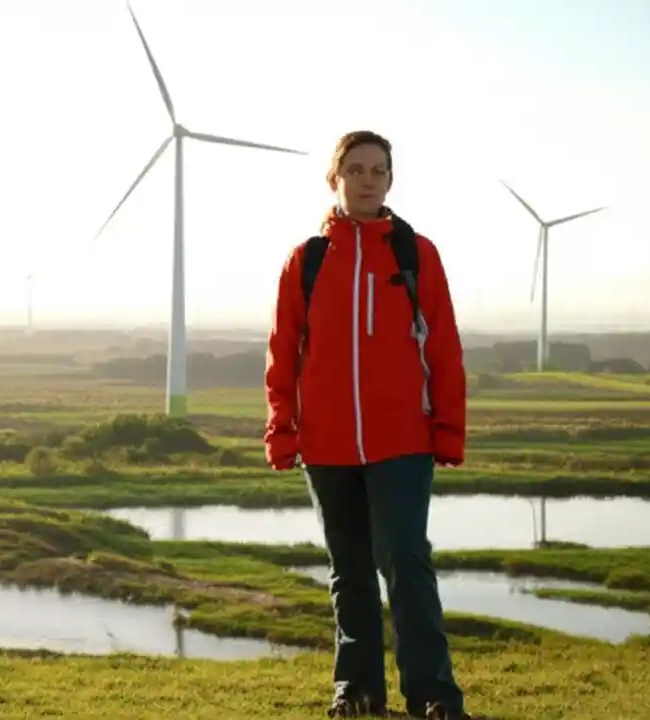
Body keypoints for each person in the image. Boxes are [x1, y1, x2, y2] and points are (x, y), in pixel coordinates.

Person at [263, 130, 470, 719]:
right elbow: (283, 351)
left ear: (390, 180)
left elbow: (445, 348)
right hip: (327, 445)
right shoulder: (307, 260)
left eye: (378, 169)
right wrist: (283, 427)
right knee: (348, 571)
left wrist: (448, 429)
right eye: (355, 169)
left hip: (403, 441)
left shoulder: (415, 253)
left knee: (406, 563)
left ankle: (433, 694)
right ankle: (356, 690)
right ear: (335, 179)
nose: (367, 179)